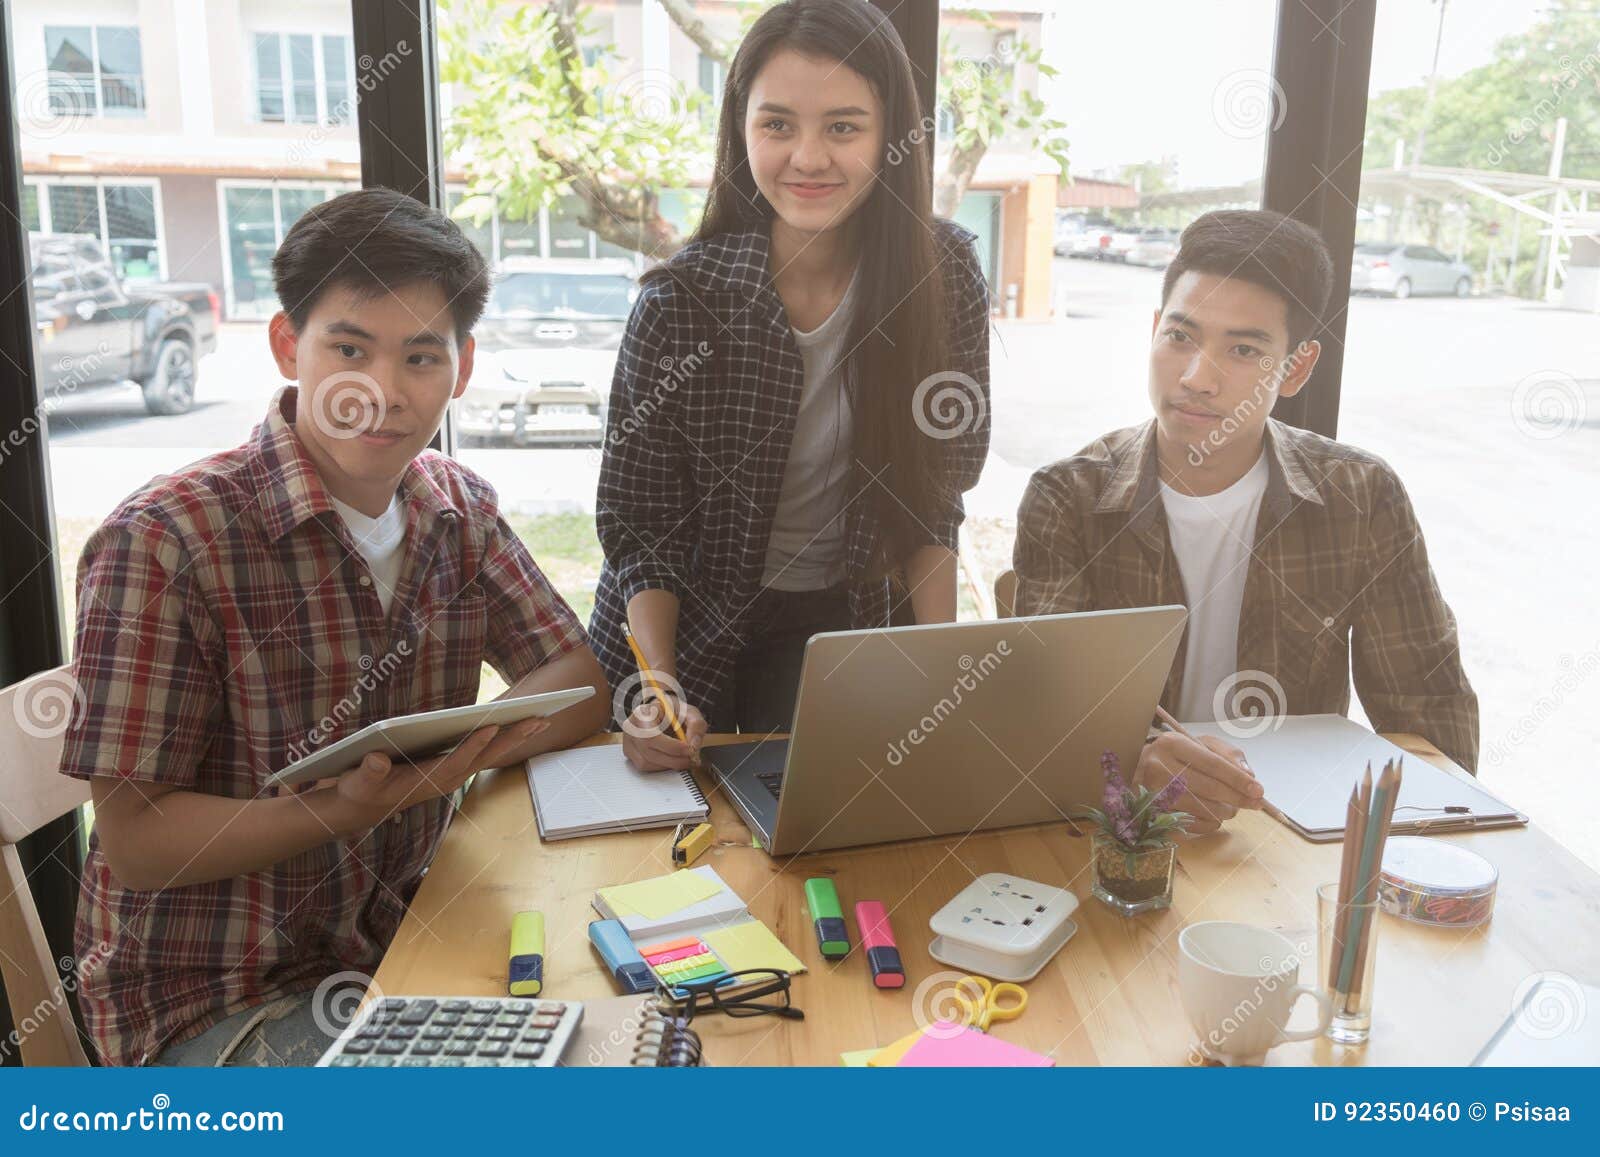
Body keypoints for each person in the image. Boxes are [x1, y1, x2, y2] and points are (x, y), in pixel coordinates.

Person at [60, 188, 611, 1066]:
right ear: (289, 345)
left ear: (462, 369)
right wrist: (345, 807)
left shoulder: (457, 511)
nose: (381, 394)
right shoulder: (166, 541)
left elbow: (575, 681)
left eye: (421, 358)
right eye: (350, 349)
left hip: (401, 936)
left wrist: (441, 768)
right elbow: (136, 842)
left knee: (633, 1025)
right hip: (211, 999)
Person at [593, 0, 992, 770]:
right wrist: (659, 689)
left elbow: (931, 498)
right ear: (741, 132)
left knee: (825, 838)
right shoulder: (681, 301)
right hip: (677, 630)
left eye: (843, 127)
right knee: (671, 863)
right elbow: (643, 527)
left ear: (890, 137)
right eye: (777, 125)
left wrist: (938, 665)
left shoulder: (944, 281)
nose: (807, 157)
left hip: (840, 618)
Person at [1014, 209, 1478, 835]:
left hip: (1291, 831)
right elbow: (1046, 717)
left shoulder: (1363, 497)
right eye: (1180, 336)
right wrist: (1138, 760)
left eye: (1243, 350)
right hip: (1128, 833)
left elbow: (1428, 718)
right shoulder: (1067, 497)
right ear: (1153, 330)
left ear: (1296, 368)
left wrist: (1428, 853)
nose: (1196, 378)